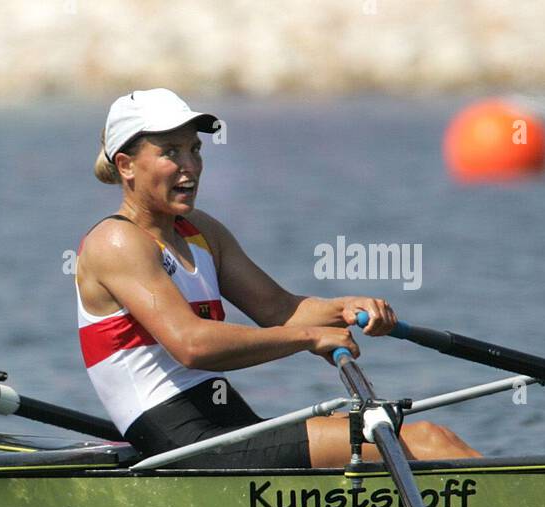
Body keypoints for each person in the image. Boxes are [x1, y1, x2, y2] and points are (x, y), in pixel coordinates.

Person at [75, 89, 480, 467]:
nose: (190, 165)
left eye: (195, 149)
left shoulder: (200, 231)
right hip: (183, 445)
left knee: (428, 438)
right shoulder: (116, 241)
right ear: (126, 165)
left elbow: (279, 310)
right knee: (428, 441)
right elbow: (192, 345)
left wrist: (344, 309)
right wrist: (309, 338)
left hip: (226, 425)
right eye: (170, 152)